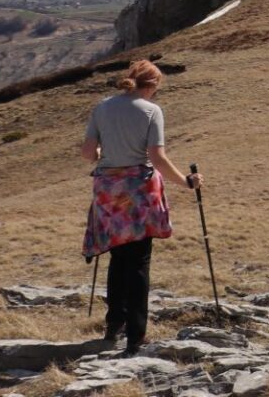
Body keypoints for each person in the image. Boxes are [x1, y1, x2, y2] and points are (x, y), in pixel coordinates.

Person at [80, 59, 202, 356]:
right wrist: (187, 182)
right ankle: (136, 335)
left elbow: (87, 153)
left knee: (118, 257)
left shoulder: (103, 107)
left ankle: (114, 325)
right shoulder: (151, 111)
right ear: (153, 85)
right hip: (139, 193)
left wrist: (103, 152)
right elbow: (157, 158)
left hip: (109, 192)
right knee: (138, 262)